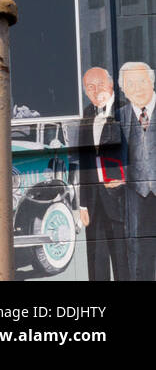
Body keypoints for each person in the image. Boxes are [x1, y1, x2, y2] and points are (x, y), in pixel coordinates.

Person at [79, 66, 126, 281]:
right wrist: (82, 204)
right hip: (94, 199)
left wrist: (125, 179)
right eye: (89, 87)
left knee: (122, 259)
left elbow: (138, 154)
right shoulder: (87, 114)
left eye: (99, 84)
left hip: (120, 198)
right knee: (96, 261)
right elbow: (84, 160)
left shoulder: (124, 111)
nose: (95, 90)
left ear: (110, 85)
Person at [118, 61, 156, 280]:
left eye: (142, 81)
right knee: (139, 253)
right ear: (123, 89)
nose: (137, 87)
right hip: (136, 194)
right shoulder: (119, 116)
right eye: (130, 83)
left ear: (152, 81)